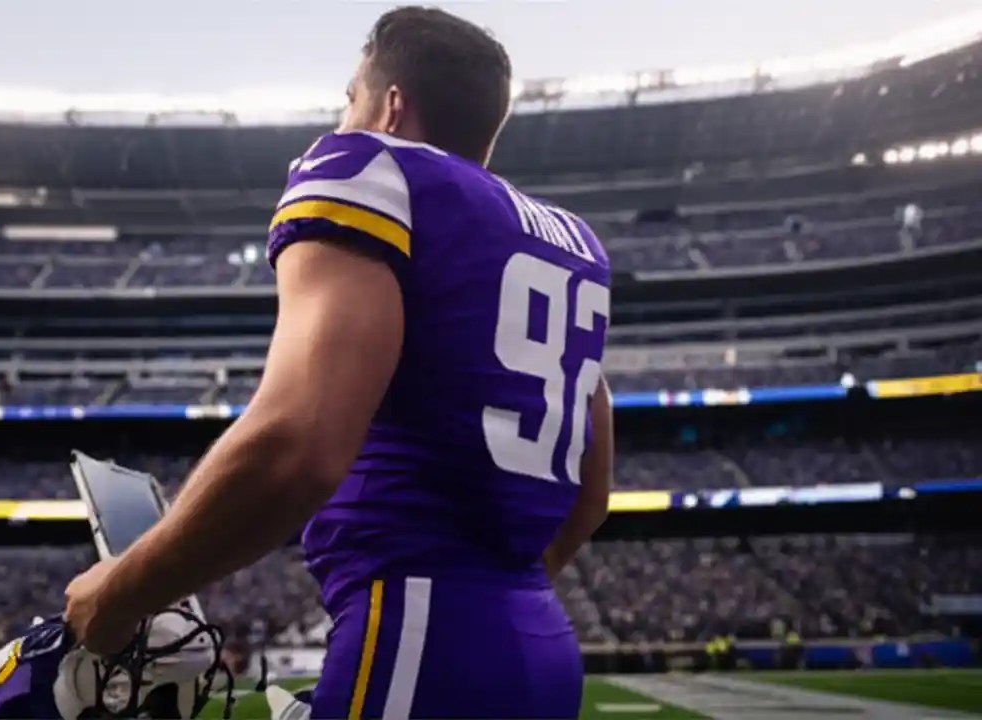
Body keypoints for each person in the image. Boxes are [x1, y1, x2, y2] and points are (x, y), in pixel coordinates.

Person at [64, 6, 614, 718]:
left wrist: (118, 594)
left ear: (389, 106)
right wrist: (494, 598)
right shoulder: (569, 241)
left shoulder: (368, 167)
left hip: (416, 628)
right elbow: (590, 492)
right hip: (540, 640)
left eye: (349, 98)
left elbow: (300, 445)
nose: (342, 118)